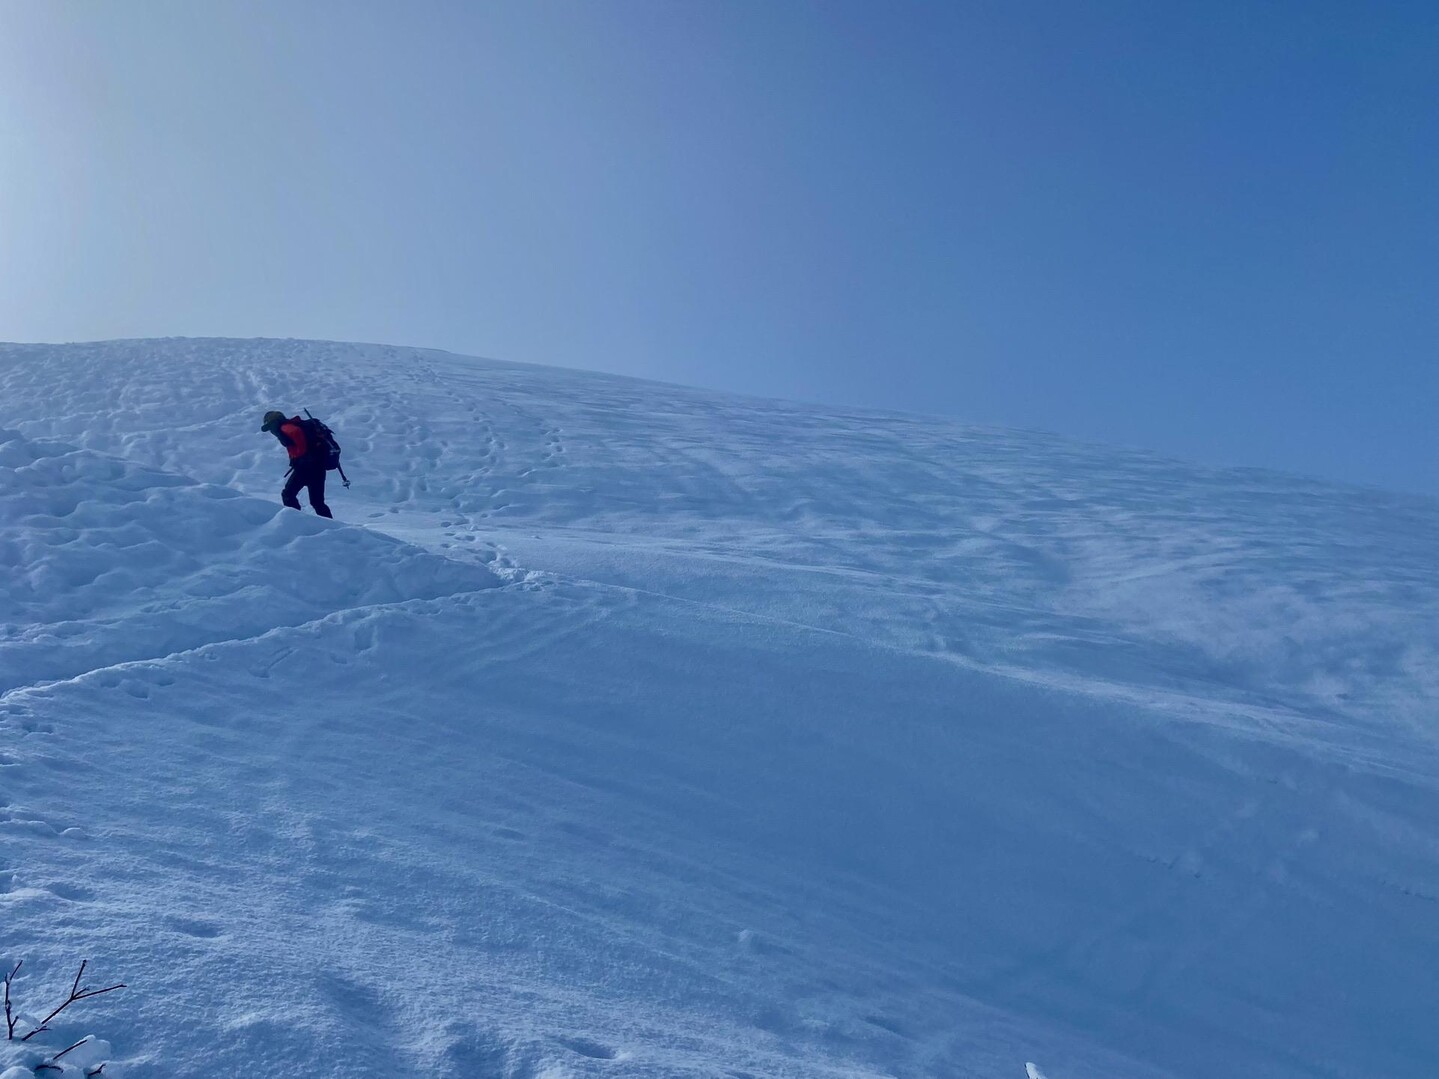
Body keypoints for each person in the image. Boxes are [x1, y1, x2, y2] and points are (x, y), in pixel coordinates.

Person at [261, 410, 333, 518]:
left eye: (270, 426)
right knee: (317, 502)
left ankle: (296, 521)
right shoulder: (295, 425)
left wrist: (299, 455)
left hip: (305, 467)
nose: (271, 430)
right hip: (319, 466)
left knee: (288, 494)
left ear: (275, 422)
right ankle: (331, 526)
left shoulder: (285, 427)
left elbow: (297, 436)